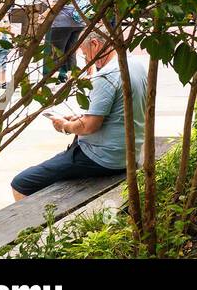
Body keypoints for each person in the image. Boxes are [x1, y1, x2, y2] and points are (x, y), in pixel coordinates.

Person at [10, 30, 147, 200]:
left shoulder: (106, 76)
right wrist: (80, 118)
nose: (87, 60)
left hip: (104, 158)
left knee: (21, 183)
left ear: (95, 44)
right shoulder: (134, 64)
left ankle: (36, 227)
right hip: (128, 153)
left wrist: (64, 126)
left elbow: (89, 126)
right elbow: (114, 112)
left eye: (85, 53)